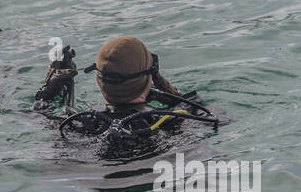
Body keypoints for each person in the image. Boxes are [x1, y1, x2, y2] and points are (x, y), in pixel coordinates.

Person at [32, 36, 216, 152]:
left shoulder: (79, 123)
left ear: (98, 80)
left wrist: (49, 89)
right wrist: (166, 89)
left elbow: (35, 115)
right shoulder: (172, 122)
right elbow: (216, 119)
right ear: (149, 79)